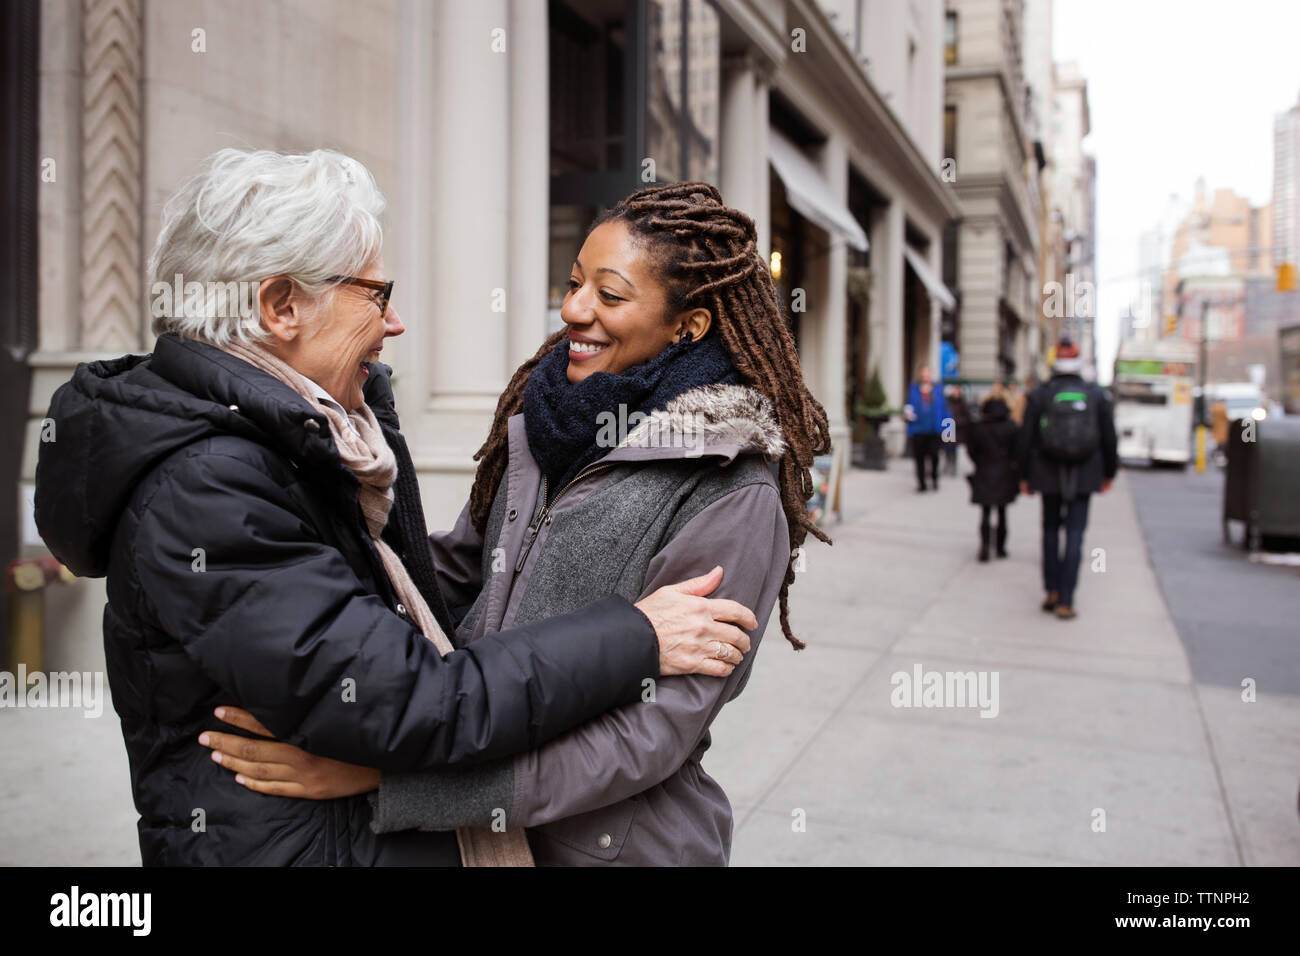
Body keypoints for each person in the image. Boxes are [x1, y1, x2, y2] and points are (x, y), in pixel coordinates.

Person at [32, 150, 756, 867]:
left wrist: (397, 783)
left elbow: (427, 593)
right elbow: (410, 698)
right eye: (377, 294)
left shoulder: (293, 434)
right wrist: (633, 634)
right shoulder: (213, 476)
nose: (396, 321)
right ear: (280, 306)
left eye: (611, 293)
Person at [198, 182, 833, 866]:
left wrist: (395, 781)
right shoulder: (545, 423)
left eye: (609, 296)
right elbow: (460, 575)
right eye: (573, 282)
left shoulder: (729, 483)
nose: (573, 310)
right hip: (477, 831)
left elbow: (649, 737)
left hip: (611, 848)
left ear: (690, 325)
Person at [1016, 335, 1118, 619]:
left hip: (1047, 472)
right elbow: (1110, 438)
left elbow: (1025, 437)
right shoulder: (1096, 395)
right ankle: (1067, 599)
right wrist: (1109, 472)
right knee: (1075, 534)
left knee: (1049, 532)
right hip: (1086, 473)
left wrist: (1024, 474)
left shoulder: (1040, 394)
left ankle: (1051, 589)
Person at [965, 393, 1019, 561]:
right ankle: (1001, 547)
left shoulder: (979, 427)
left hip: (984, 471)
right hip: (1004, 472)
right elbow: (1017, 451)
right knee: (1002, 512)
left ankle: (985, 545)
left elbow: (971, 450)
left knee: (986, 512)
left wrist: (979, 463)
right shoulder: (1010, 427)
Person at [905, 365, 948, 491]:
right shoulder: (914, 390)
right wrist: (907, 414)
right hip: (918, 429)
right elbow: (909, 406)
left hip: (934, 430)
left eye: (927, 374)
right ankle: (922, 483)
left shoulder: (938, 390)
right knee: (919, 458)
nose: (925, 376)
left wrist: (949, 434)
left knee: (935, 456)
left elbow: (945, 411)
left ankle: (934, 479)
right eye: (923, 374)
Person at [944, 384, 971, 476]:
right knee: (947, 448)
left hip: (957, 430)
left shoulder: (962, 403)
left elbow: (967, 417)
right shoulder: (947, 402)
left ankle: (953, 466)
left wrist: (958, 421)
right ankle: (947, 463)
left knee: (954, 449)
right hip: (947, 428)